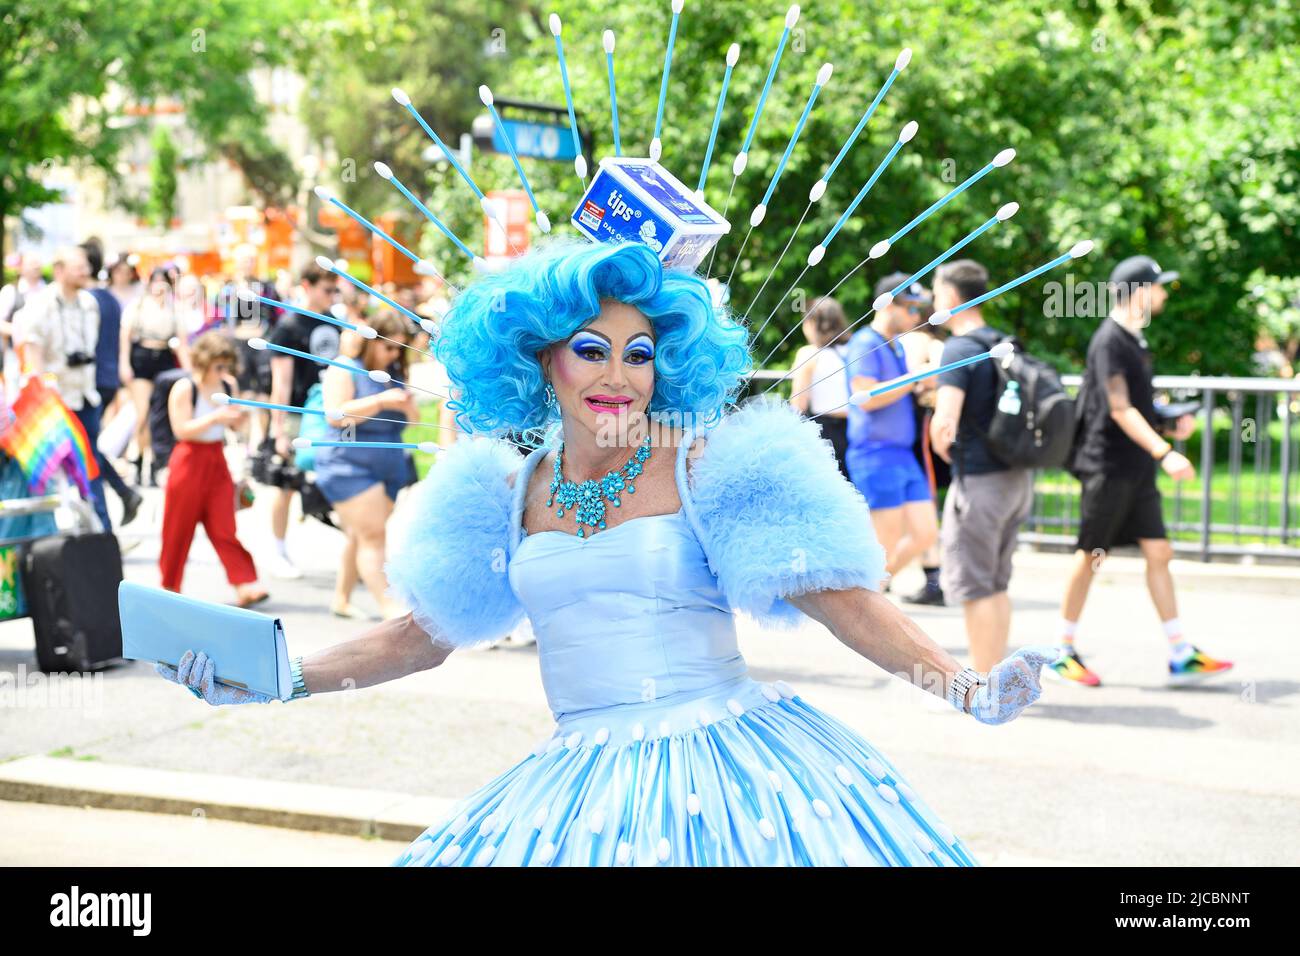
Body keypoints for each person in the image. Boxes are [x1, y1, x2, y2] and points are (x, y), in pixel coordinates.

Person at [156, 241, 1057, 867]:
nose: (618, 375)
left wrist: (961, 685)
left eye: (639, 352)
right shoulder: (502, 492)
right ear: (541, 364)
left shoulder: (709, 460)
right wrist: (279, 677)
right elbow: (416, 637)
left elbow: (843, 598)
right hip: (579, 785)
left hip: (735, 773)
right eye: (590, 351)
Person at [1055, 256, 1233, 687]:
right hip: (1108, 466)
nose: (1163, 294)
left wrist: (1167, 422)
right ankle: (1059, 653)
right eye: (1158, 287)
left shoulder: (1134, 341)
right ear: (1137, 292)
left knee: (1159, 552)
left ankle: (1180, 653)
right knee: (1091, 556)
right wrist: (1164, 450)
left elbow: (1137, 404)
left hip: (1135, 469)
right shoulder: (1110, 341)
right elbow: (1118, 408)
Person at [929, 260, 1032, 673]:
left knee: (975, 588)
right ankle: (997, 675)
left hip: (979, 483)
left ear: (952, 298)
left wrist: (943, 444)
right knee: (996, 584)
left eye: (936, 295)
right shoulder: (1005, 342)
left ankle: (985, 684)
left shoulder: (958, 349)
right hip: (1016, 478)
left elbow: (945, 423)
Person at [313, 312, 417, 620]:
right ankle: (389, 607)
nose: (394, 355)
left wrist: (405, 404)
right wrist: (382, 402)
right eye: (389, 347)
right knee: (373, 536)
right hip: (348, 464)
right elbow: (336, 414)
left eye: (400, 349)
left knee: (359, 535)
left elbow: (410, 422)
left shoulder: (393, 373)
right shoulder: (345, 369)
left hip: (389, 465)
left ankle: (341, 599)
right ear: (372, 343)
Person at [159, 332, 267, 607]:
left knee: (224, 526)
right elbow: (181, 429)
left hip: (217, 458)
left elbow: (233, 427)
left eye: (225, 366)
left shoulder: (227, 386)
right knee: (177, 529)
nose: (222, 372)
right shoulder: (185, 387)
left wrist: (238, 418)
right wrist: (215, 417)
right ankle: (169, 587)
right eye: (218, 366)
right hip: (189, 459)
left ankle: (244, 583)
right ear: (204, 362)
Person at [845, 275, 939, 591]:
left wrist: (920, 387)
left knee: (926, 533)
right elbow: (866, 398)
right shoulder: (864, 342)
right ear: (888, 305)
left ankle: (872, 592)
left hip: (901, 453)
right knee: (885, 541)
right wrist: (913, 380)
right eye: (911, 308)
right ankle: (869, 600)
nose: (916, 317)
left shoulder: (894, 345)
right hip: (875, 453)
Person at [12, 246, 112, 531]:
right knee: (61, 471)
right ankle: (65, 537)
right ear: (59, 271)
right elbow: (33, 361)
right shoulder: (40, 306)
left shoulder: (90, 304)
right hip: (55, 404)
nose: (85, 271)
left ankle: (99, 534)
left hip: (86, 394)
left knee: (91, 465)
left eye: (85, 266)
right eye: (77, 266)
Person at [264, 263, 341, 578]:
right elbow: (280, 383)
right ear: (307, 286)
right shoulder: (288, 327)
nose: (331, 296)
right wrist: (278, 428)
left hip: (330, 413)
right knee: (286, 484)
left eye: (334, 289)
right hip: (297, 413)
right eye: (326, 289)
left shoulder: (335, 323)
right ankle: (277, 550)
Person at [81, 241, 143, 525]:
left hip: (90, 381)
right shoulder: (107, 298)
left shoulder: (87, 300)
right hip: (105, 379)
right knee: (86, 445)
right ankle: (119, 498)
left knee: (86, 448)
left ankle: (105, 519)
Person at [120, 267, 190, 486]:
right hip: (142, 357)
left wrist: (189, 371)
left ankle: (153, 464)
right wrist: (124, 363)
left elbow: (182, 342)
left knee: (158, 416)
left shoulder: (174, 308)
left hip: (164, 359)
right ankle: (138, 460)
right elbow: (125, 335)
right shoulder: (138, 305)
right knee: (142, 413)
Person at [902, 316, 950, 606]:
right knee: (919, 501)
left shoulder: (914, 341)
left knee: (918, 501)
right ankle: (932, 577)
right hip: (915, 425)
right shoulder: (931, 342)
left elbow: (937, 373)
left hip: (913, 425)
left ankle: (932, 578)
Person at [786, 296, 851, 479]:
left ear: (812, 323)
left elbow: (798, 404)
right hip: (858, 427)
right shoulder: (855, 349)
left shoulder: (809, 354)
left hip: (826, 432)